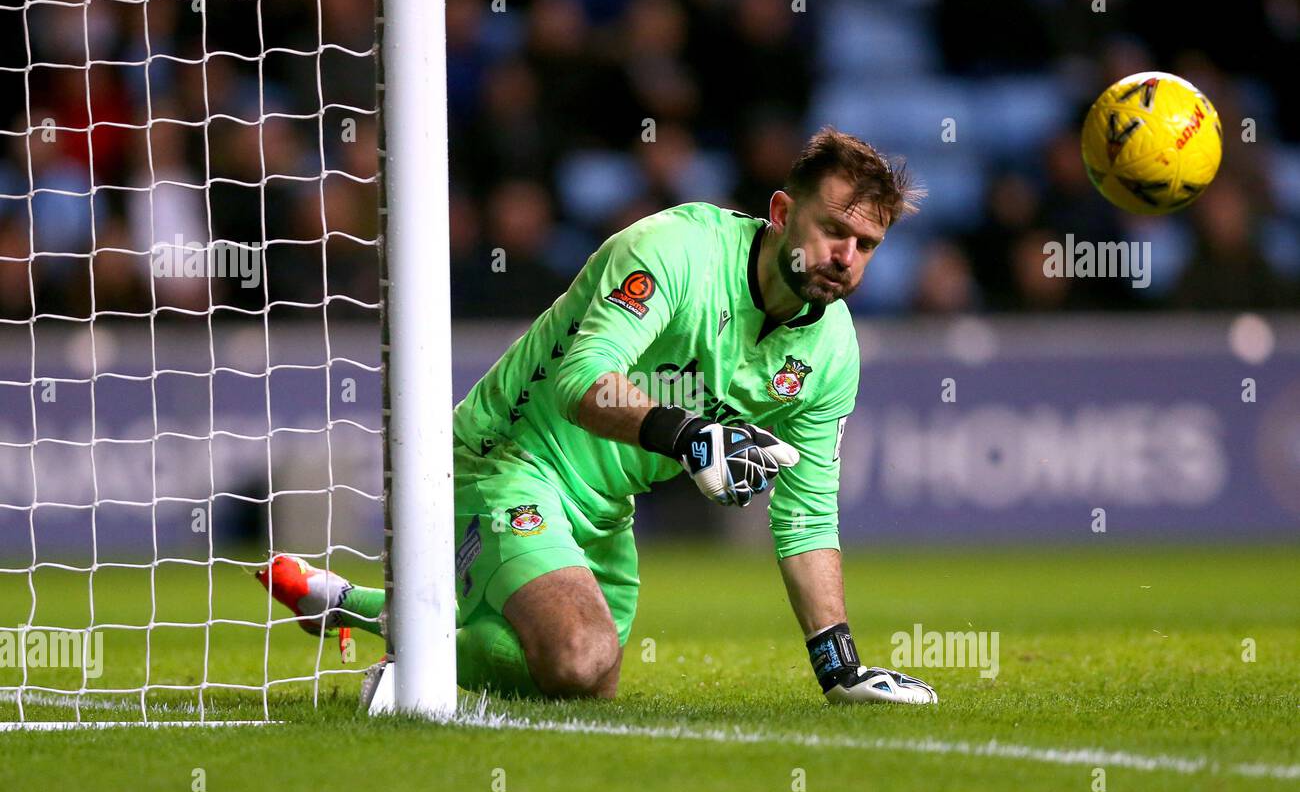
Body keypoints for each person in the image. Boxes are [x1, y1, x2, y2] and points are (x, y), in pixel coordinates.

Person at [256, 127, 937, 705]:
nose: (846, 257)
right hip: (508, 457)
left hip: (606, 503)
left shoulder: (833, 348)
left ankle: (343, 602)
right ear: (784, 212)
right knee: (581, 652)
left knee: (586, 681)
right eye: (834, 230)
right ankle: (411, 683)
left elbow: (806, 509)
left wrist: (838, 665)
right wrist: (694, 436)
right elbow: (582, 382)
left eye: (867, 244)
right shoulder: (678, 252)